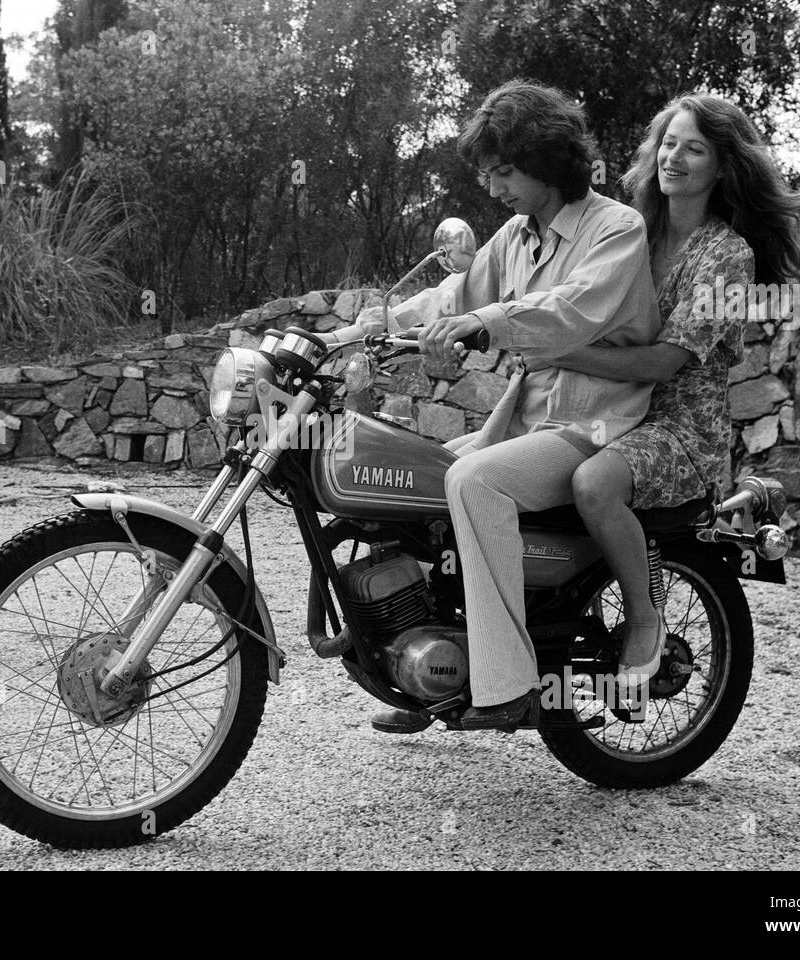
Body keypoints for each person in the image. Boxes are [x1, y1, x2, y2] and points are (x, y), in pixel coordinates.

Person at [335, 80, 663, 733]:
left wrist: (483, 323)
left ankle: (506, 685)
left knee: (471, 478)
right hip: (527, 416)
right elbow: (452, 295)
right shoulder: (516, 236)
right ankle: (432, 674)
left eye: (504, 171)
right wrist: (352, 333)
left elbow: (572, 311)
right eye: (486, 175)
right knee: (416, 477)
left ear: (546, 157)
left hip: (594, 419)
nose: (492, 188)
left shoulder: (616, 229)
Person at [554, 94, 800, 693]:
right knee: (467, 473)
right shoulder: (631, 232)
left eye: (694, 148)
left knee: (593, 484)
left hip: (678, 431)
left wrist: (560, 351)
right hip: (606, 409)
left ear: (723, 166)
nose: (675, 157)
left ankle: (644, 616)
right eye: (668, 143)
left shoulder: (727, 255)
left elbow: (668, 363)